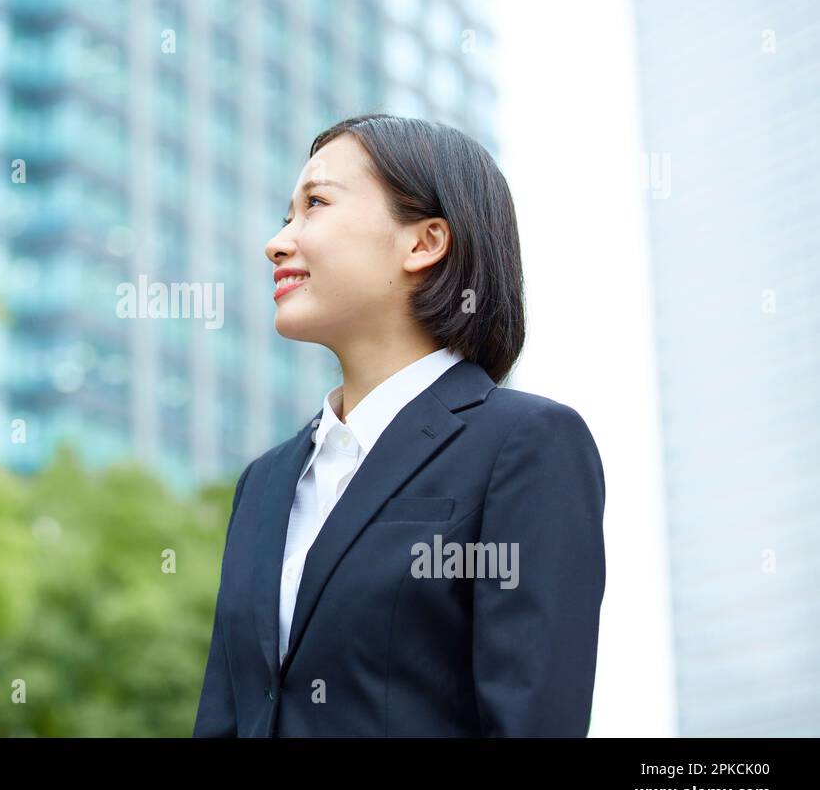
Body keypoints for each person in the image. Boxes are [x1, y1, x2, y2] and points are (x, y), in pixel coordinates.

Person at [193, 114, 606, 737]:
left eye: (316, 205)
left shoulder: (523, 446)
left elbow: (531, 721)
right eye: (287, 216)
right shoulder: (265, 482)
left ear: (424, 242)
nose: (277, 242)